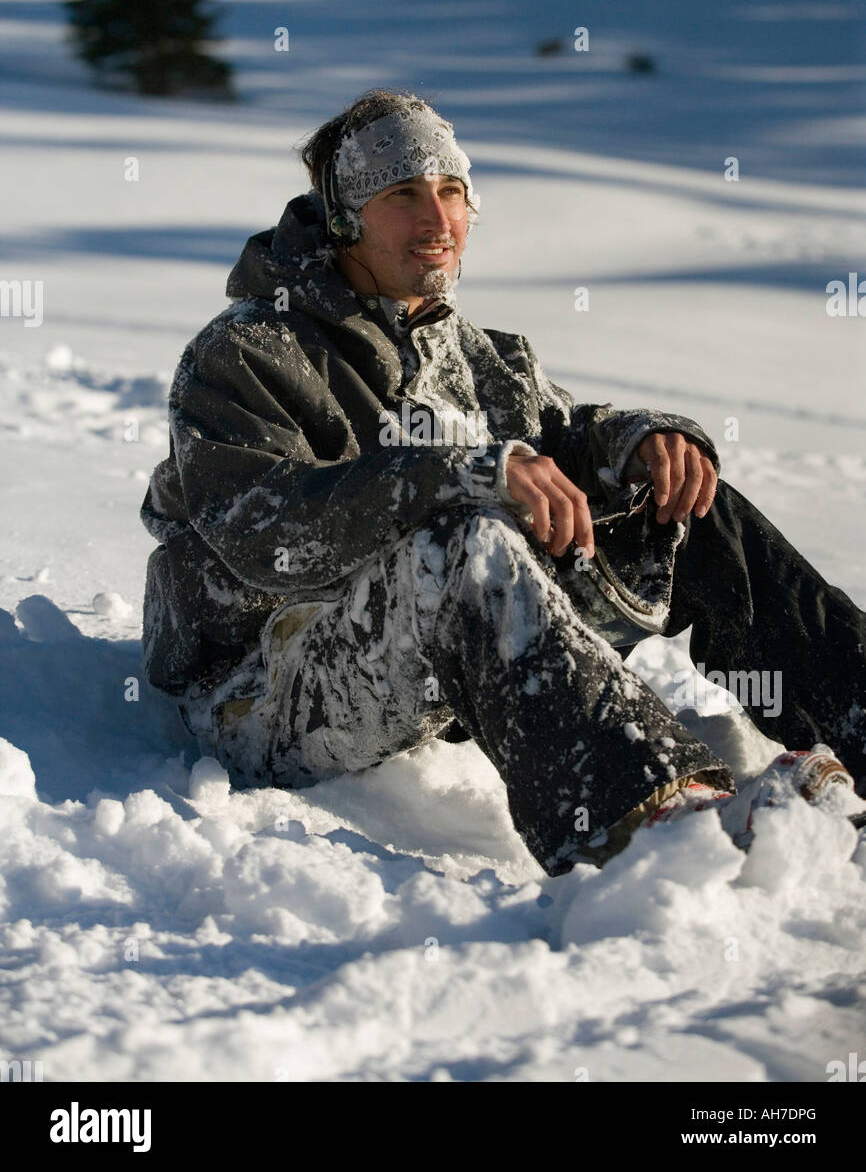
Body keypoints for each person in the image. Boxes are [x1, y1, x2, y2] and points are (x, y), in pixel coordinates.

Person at [139, 88, 866, 875]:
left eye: (452, 192)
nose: (437, 219)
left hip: (433, 665)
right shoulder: (246, 351)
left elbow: (562, 439)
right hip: (274, 689)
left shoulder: (464, 347)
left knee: (687, 498)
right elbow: (263, 537)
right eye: (402, 195)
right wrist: (459, 474)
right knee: (459, 542)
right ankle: (648, 823)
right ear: (345, 215)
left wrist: (637, 441)